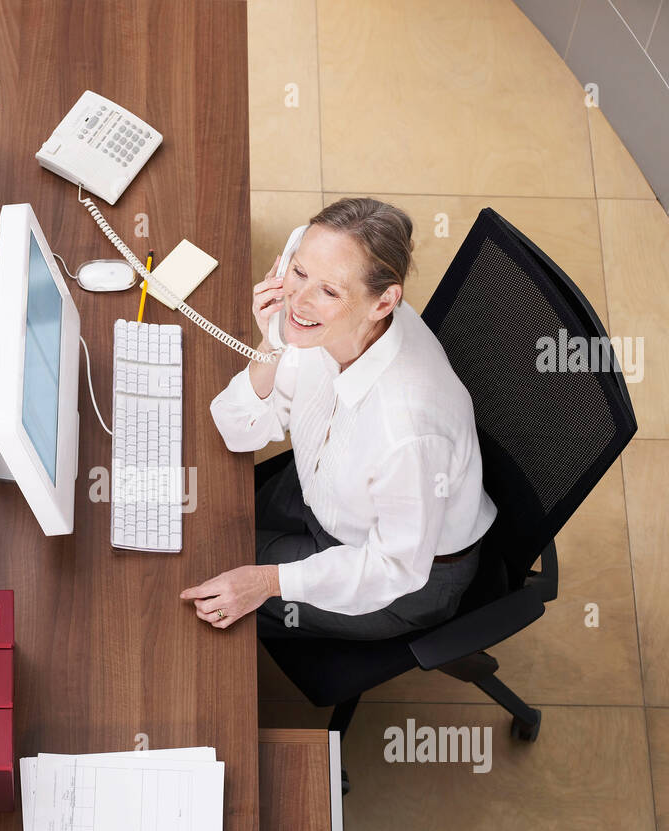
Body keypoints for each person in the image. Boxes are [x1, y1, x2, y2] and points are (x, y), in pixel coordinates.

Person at [179, 197, 497, 640]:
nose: (299, 301)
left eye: (329, 291)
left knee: (200, 581)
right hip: (323, 495)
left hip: (393, 576)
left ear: (383, 303)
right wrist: (273, 340)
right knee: (192, 527)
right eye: (299, 271)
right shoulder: (322, 330)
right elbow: (238, 430)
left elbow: (394, 569)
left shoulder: (407, 432)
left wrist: (269, 583)